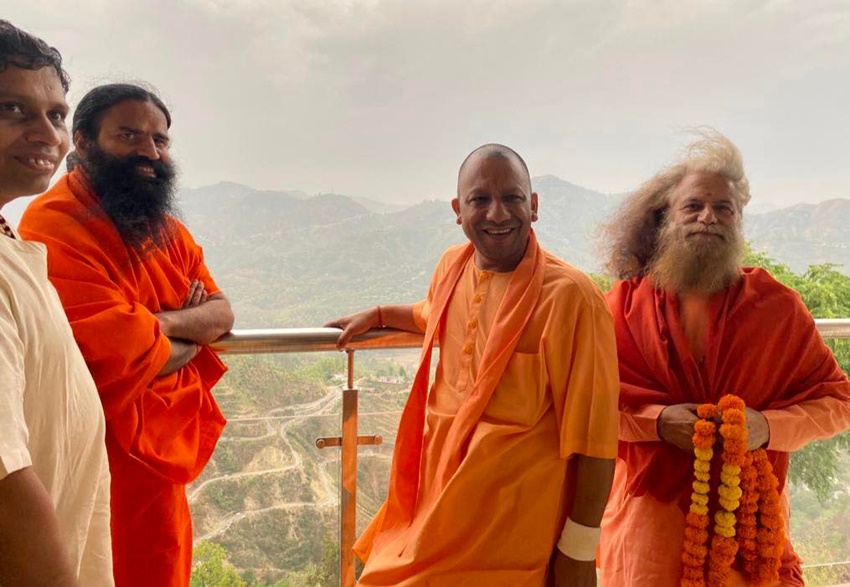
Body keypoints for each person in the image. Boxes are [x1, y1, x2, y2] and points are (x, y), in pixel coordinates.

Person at [326, 144, 619, 586]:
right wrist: (383, 313)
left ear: (533, 206)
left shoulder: (571, 298)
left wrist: (577, 554)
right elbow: (434, 313)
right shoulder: (453, 267)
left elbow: (596, 439)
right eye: (480, 200)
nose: (497, 214)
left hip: (513, 531)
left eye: (513, 198)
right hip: (437, 506)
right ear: (457, 211)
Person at [597, 129, 850, 586]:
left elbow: (837, 403)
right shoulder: (620, 308)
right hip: (646, 539)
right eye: (693, 206)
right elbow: (584, 407)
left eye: (723, 208)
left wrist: (766, 427)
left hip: (749, 533)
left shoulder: (777, 307)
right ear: (666, 218)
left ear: (739, 219)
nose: (707, 217)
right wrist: (655, 422)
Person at [19, 83, 234, 587]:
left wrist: (157, 325)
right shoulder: (53, 222)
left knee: (160, 563)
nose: (149, 151)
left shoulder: (167, 232)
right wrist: (179, 327)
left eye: (159, 140)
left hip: (160, 460)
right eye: (129, 135)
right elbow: (114, 350)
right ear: (84, 141)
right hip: (94, 445)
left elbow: (220, 313)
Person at [0, 20, 113, 585]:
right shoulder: (55, 225)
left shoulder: (11, 239)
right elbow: (4, 477)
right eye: (12, 111)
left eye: (55, 114)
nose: (46, 133)